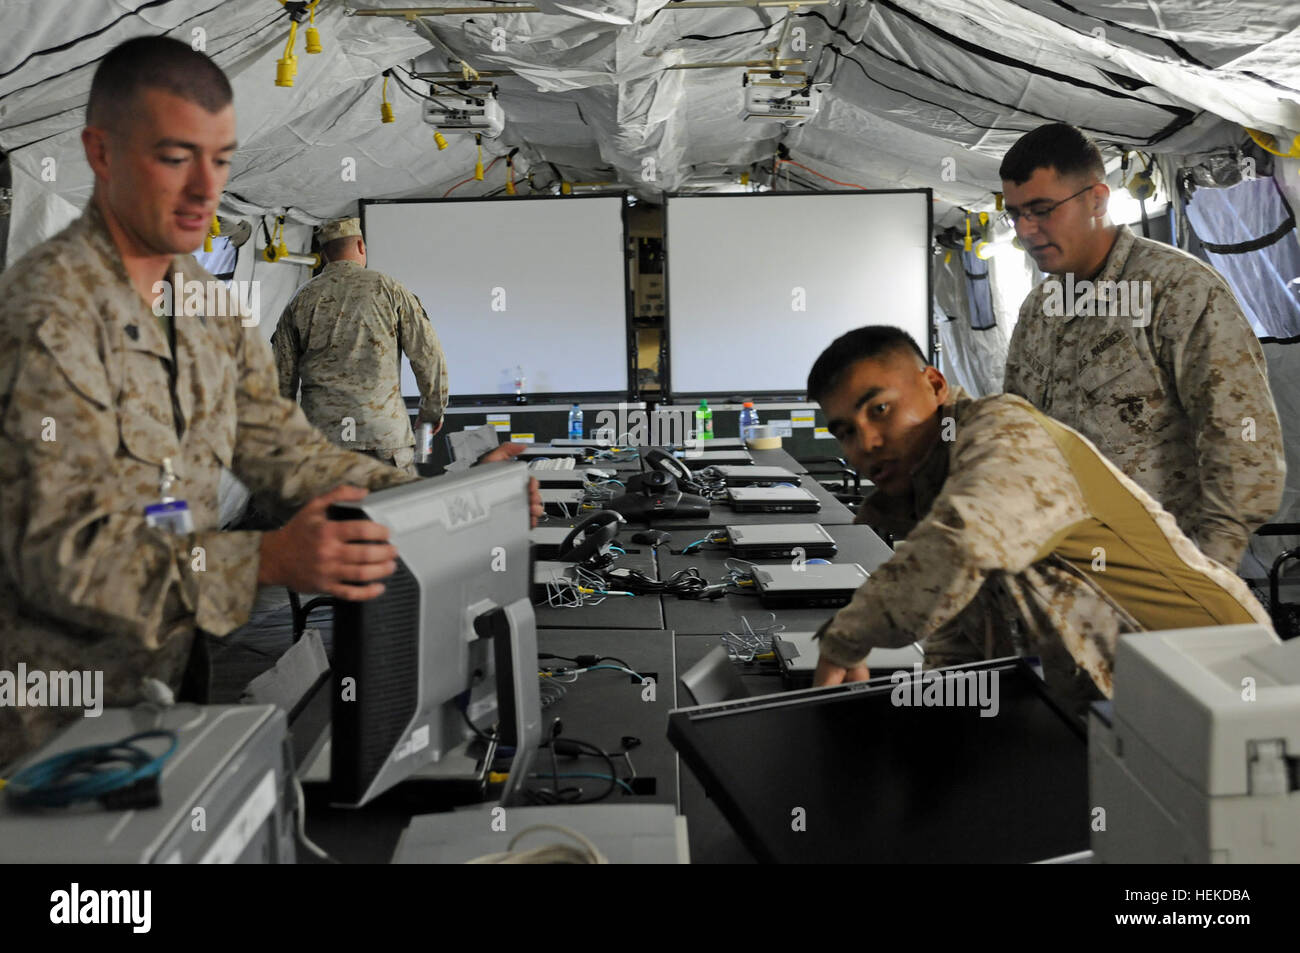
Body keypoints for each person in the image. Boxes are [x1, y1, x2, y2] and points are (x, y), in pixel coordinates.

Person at [0, 36, 538, 766]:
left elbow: (281, 445)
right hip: (52, 712)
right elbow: (58, 560)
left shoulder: (200, 306)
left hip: (166, 667)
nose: (203, 189)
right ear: (100, 153)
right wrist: (263, 558)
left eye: (219, 160)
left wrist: (455, 502)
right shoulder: (47, 318)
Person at [807, 326, 1273, 717]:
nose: (865, 442)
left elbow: (963, 544)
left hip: (1219, 680)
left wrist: (845, 639)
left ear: (934, 383)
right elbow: (958, 629)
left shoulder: (1005, 431)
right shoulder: (926, 488)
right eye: (845, 430)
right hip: (1116, 709)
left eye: (880, 409)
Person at [1000, 122, 1284, 569]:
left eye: (1041, 209)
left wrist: (1203, 579)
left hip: (1157, 577)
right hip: (1059, 571)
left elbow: (1244, 449)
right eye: (1014, 215)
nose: (1026, 230)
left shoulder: (1178, 290)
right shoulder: (1040, 309)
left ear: (1097, 199)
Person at [271, 218, 447, 476]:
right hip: (383, 437)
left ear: (323, 255)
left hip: (323, 439)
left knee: (330, 516)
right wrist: (431, 412)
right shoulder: (390, 290)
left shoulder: (301, 299)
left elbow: (281, 376)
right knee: (392, 515)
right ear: (361, 246)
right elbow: (428, 356)